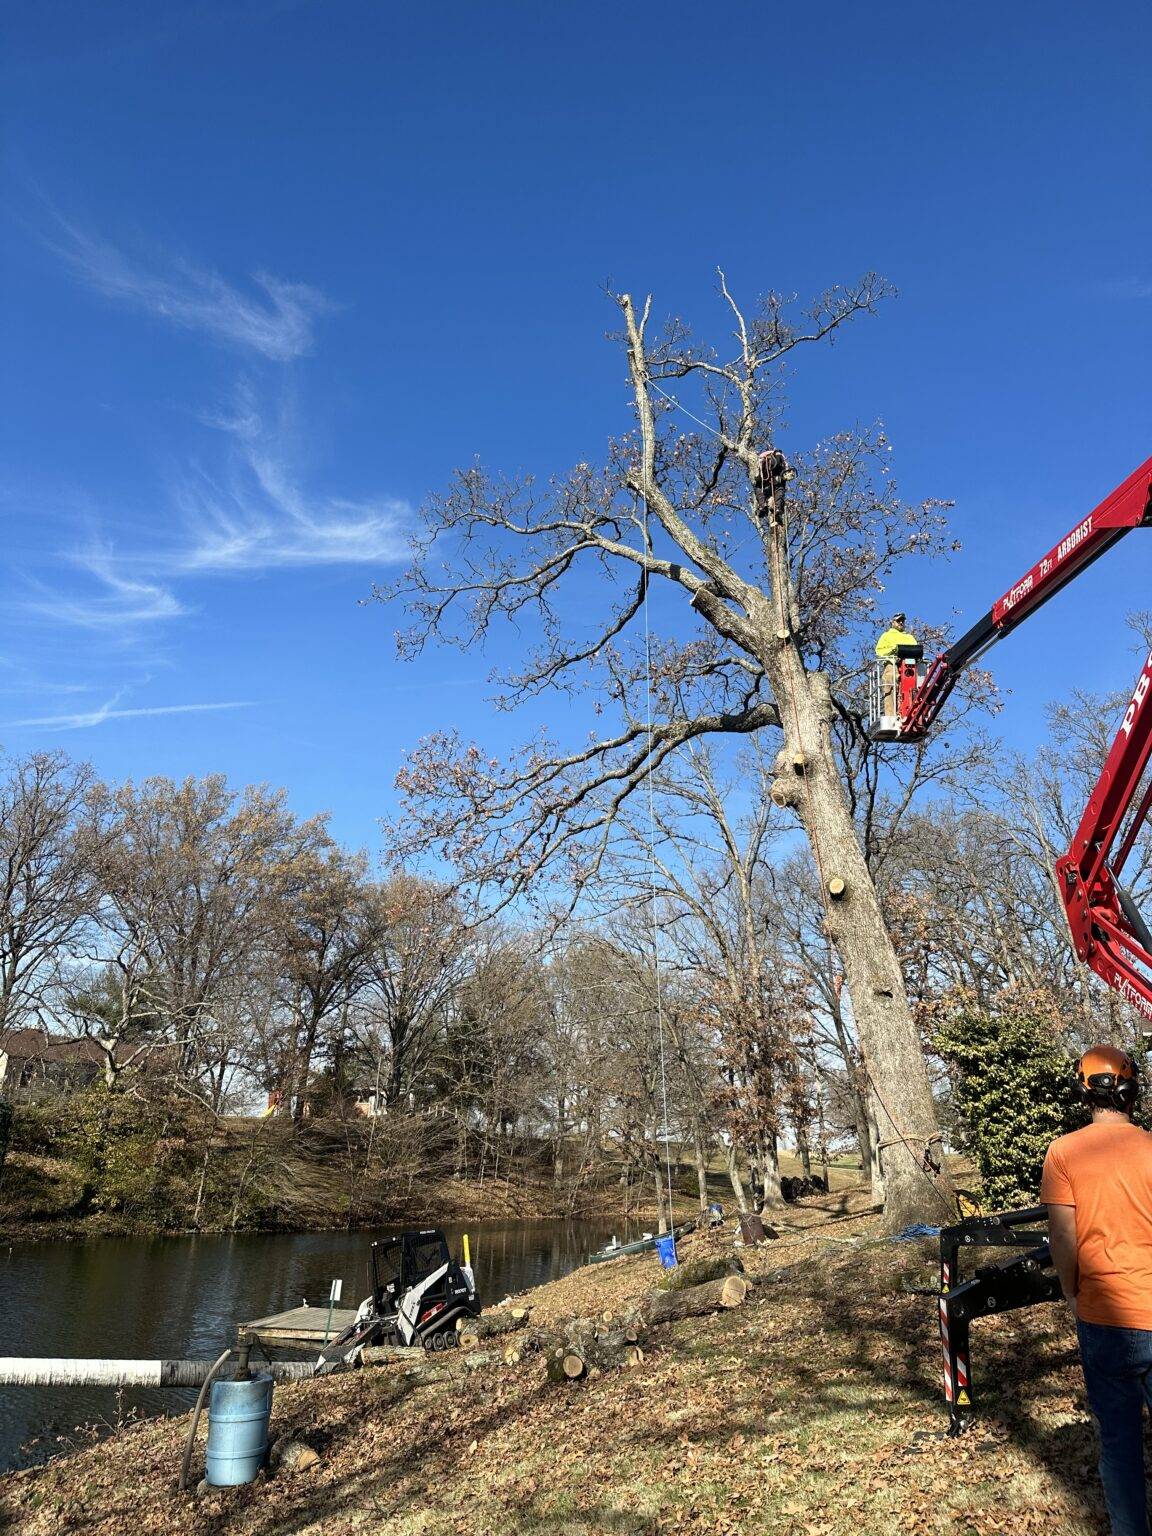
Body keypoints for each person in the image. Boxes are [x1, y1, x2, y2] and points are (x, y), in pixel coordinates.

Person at [1042, 1046, 1152, 1536]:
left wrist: (1071, 1292)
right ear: (1131, 1092)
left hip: (1103, 1316)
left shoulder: (1064, 1152)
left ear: (1083, 1091)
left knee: (1120, 1446)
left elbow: (1062, 1237)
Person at [875, 612, 918, 717]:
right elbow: (879, 651)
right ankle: (891, 715)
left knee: (918, 683)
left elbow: (916, 649)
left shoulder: (910, 637)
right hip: (892, 663)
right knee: (889, 679)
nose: (901, 623)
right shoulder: (887, 635)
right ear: (893, 622)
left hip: (909, 665)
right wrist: (894, 649)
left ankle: (914, 711)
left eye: (902, 621)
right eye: (898, 621)